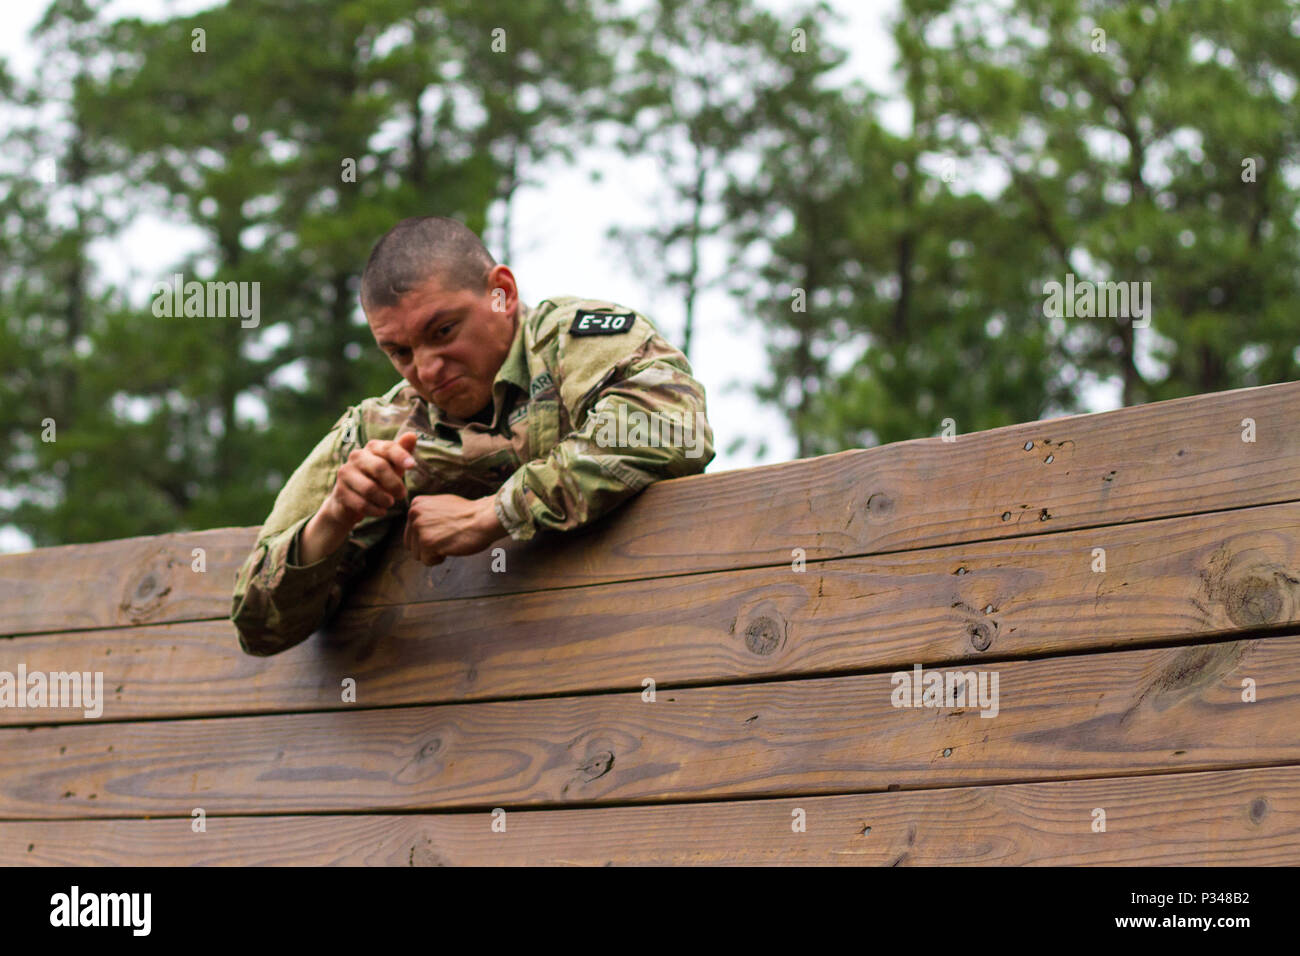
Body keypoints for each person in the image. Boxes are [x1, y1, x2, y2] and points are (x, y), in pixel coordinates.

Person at [230, 216, 715, 657]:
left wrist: (494, 514)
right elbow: (258, 628)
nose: (425, 369)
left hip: (655, 651)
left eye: (443, 330)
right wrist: (334, 519)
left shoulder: (570, 342)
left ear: (501, 292)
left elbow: (673, 426)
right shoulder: (379, 430)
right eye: (399, 352)